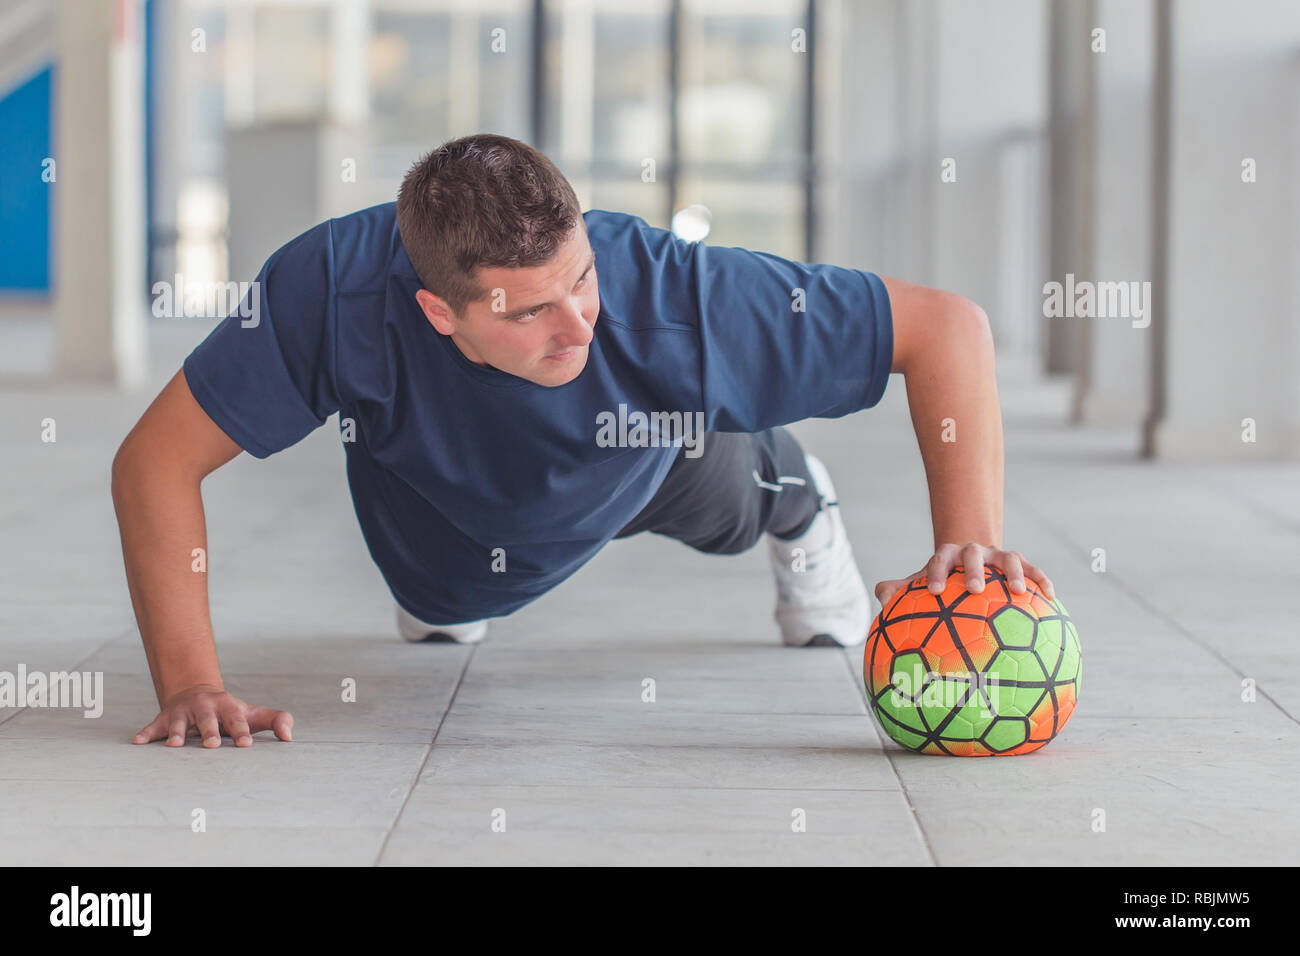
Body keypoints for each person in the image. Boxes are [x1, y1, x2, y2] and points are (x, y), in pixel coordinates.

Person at [112, 133, 1055, 749]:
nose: (578, 327)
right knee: (438, 599)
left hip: (647, 462)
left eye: (582, 281)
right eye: (530, 311)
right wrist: (191, 683)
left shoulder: (666, 290)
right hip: (445, 530)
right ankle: (457, 582)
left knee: (727, 482)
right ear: (438, 309)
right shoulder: (326, 288)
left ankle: (794, 496)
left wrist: (964, 538)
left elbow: (949, 330)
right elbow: (154, 462)